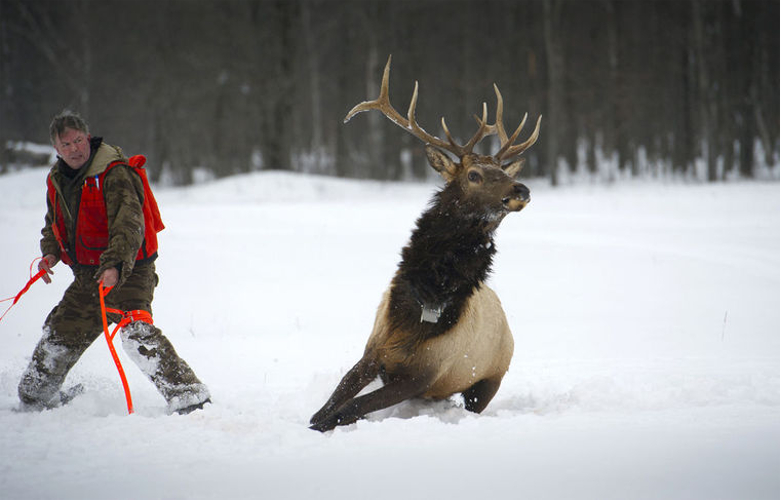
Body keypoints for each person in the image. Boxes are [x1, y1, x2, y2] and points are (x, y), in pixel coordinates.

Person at [18, 111, 211, 415]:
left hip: (131, 270)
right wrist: (50, 252)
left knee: (136, 334)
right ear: (56, 149)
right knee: (58, 335)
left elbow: (129, 225)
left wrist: (115, 265)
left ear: (88, 137)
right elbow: (53, 223)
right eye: (66, 144)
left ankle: (190, 397)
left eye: (78, 140)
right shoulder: (57, 179)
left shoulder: (113, 172)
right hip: (87, 276)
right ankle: (36, 398)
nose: (74, 149)